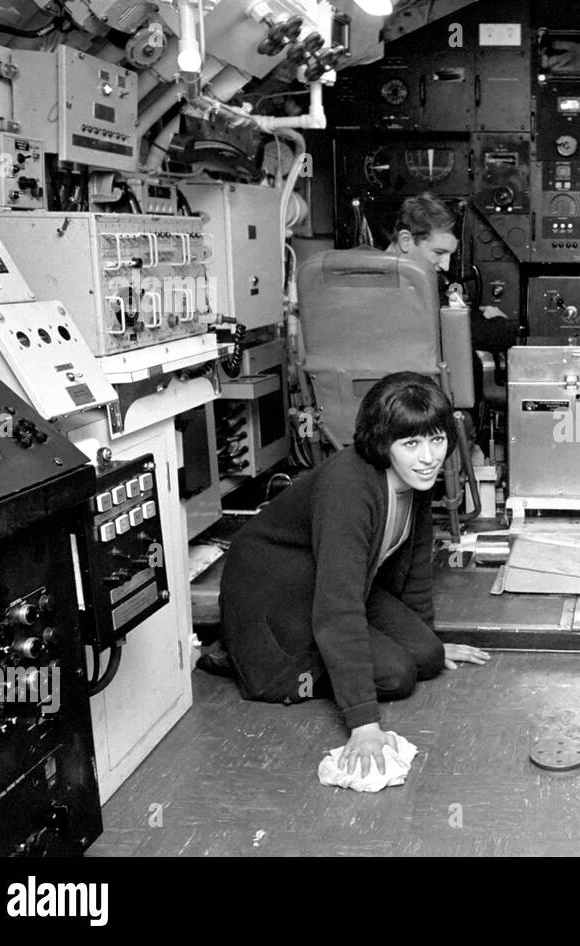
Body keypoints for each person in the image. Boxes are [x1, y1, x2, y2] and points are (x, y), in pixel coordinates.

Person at [219, 372, 491, 778]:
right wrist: (363, 722)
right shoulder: (349, 487)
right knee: (397, 674)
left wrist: (427, 640)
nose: (429, 456)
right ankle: (271, 663)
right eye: (411, 443)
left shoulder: (416, 477)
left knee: (427, 657)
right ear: (383, 444)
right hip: (276, 595)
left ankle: (366, 661)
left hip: (330, 581)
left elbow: (416, 565)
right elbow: (337, 608)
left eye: (437, 439)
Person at [390, 193, 517, 399]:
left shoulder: (350, 281)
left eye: (450, 255)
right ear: (406, 240)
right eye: (438, 252)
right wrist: (500, 322)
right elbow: (493, 336)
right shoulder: (423, 291)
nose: (445, 265)